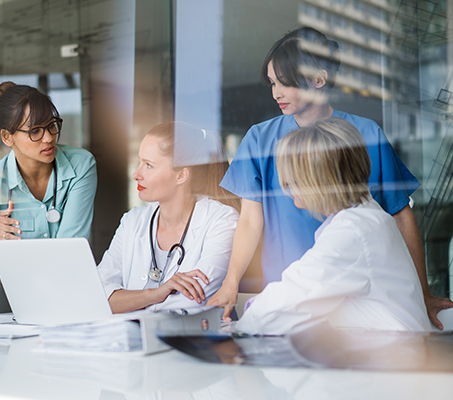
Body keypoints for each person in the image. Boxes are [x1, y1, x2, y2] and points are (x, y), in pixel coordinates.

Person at [207, 27, 453, 328]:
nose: (276, 93)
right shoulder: (260, 139)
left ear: (318, 80)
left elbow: (400, 215)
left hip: (356, 302)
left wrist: (422, 293)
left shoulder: (365, 136)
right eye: (272, 83)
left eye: (285, 83)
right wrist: (231, 282)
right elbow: (249, 221)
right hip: (292, 296)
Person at [237, 117, 431, 334]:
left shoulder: (352, 231)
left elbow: (278, 306)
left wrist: (241, 322)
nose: (288, 189)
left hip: (391, 359)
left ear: (320, 181)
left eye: (293, 181)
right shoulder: (364, 218)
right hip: (382, 353)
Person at [0, 82, 97, 312]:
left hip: (68, 289)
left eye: (51, 126)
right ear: (7, 137)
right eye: (35, 131)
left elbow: (69, 247)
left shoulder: (81, 165)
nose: (49, 138)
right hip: (16, 295)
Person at [97, 122, 239, 313]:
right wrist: (155, 294)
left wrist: (127, 301)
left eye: (149, 165)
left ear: (181, 175)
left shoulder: (221, 221)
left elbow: (193, 300)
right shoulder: (132, 221)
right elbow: (98, 296)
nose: (136, 174)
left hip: (189, 339)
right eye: (139, 162)